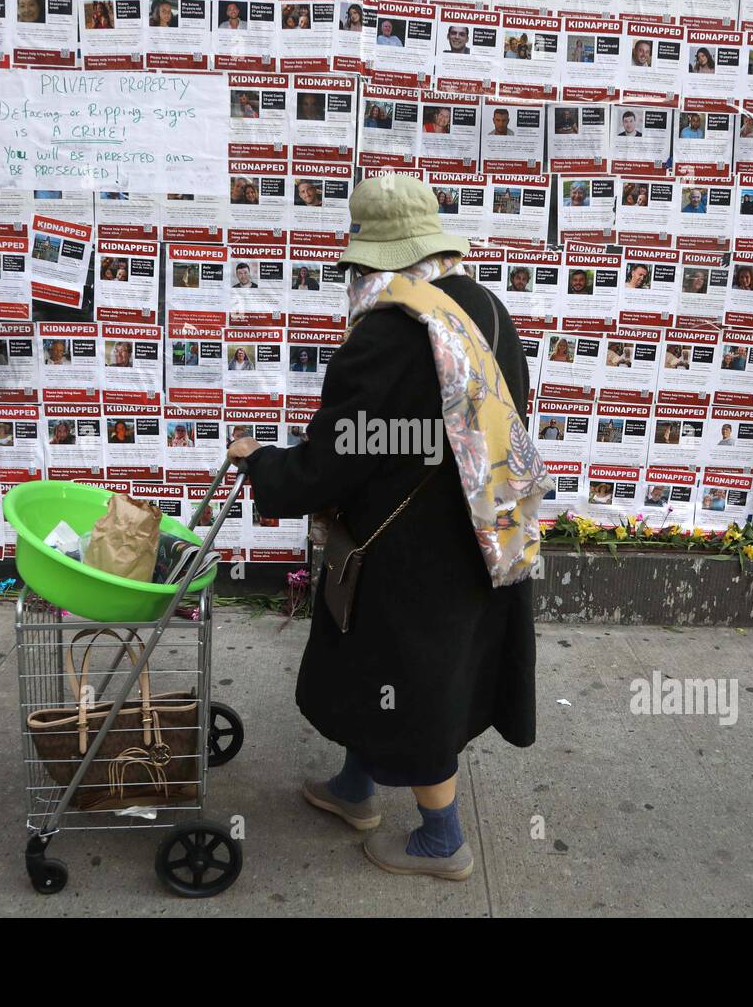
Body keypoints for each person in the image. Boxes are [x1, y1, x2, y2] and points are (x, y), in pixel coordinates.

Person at [226, 174, 541, 881]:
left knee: (409, 680)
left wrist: (266, 465)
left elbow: (338, 457)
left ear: (370, 258)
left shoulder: (392, 329)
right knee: (381, 670)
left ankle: (441, 839)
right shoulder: (483, 306)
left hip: (408, 556)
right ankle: (355, 788)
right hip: (480, 537)